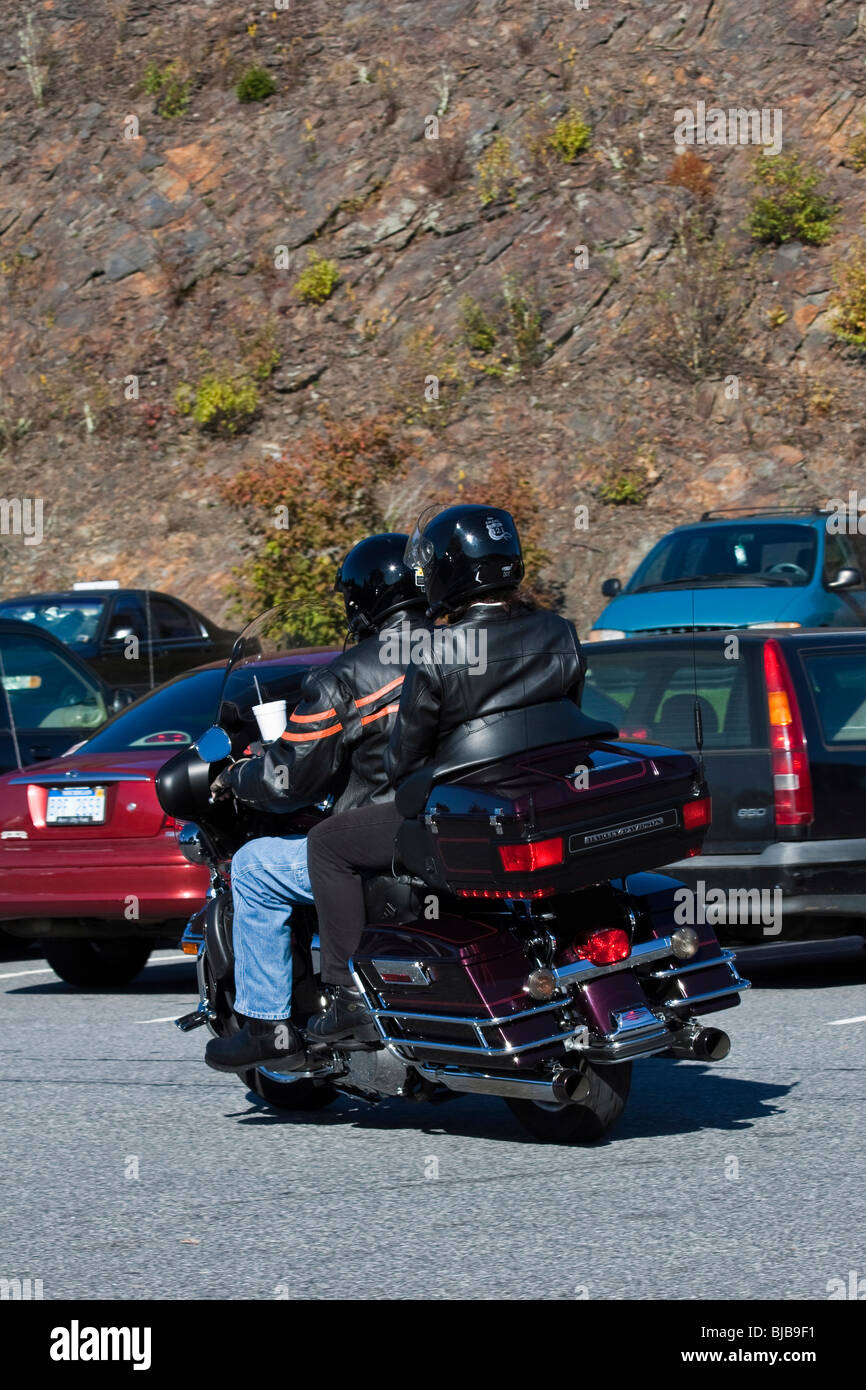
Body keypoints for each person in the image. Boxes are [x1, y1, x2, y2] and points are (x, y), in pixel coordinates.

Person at [305, 503, 587, 1041]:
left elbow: (404, 762)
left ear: (449, 569)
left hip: (464, 815)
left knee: (327, 844)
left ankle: (344, 995)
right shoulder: (561, 633)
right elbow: (567, 720)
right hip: (542, 802)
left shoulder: (436, 651)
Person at [203, 533, 429, 1074]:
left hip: (384, 844)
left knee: (256, 868)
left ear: (362, 601)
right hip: (455, 825)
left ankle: (269, 1029)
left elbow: (287, 781)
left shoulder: (347, 676)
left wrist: (237, 777)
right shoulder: (462, 651)